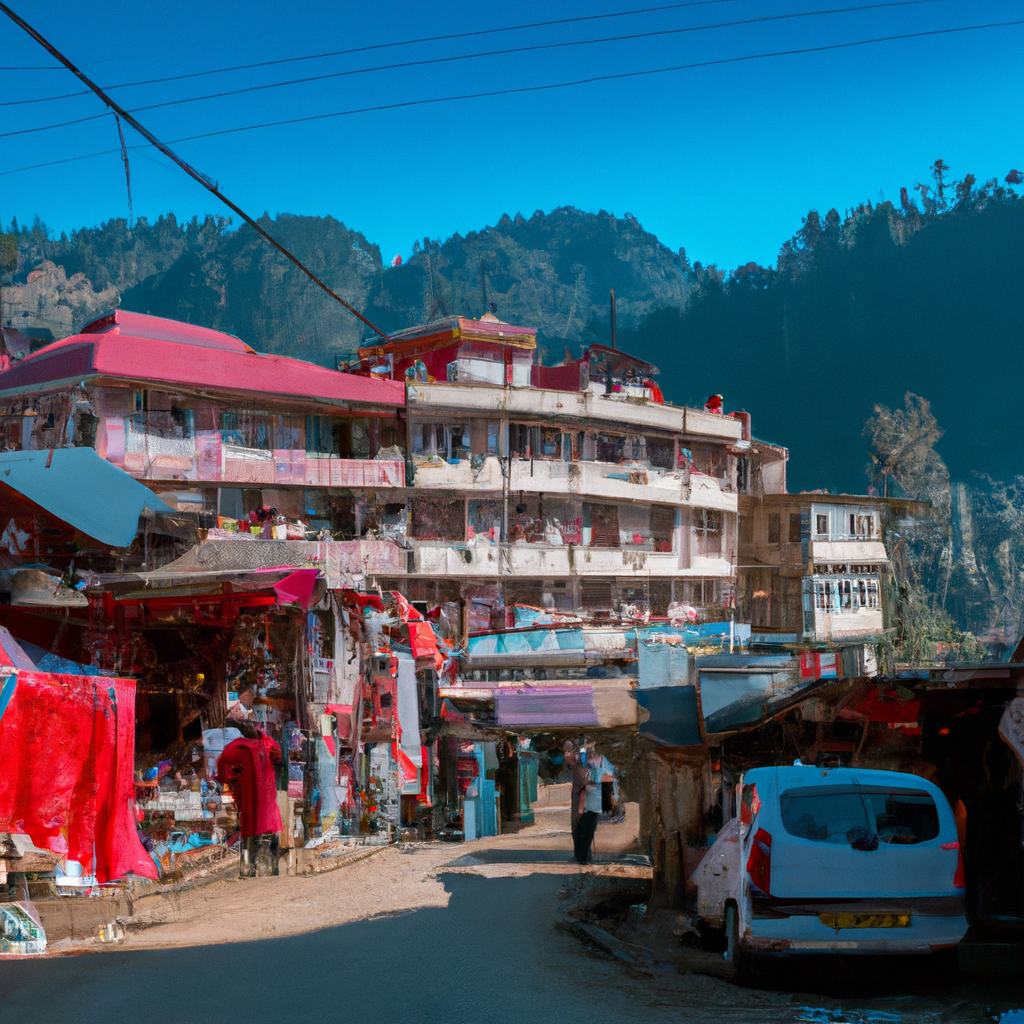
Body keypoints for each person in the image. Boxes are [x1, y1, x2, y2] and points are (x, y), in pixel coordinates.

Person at [574, 746, 602, 865]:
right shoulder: (590, 768)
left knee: (585, 832)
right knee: (583, 832)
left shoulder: (597, 770)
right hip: (590, 806)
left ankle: (583, 857)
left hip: (592, 807)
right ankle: (582, 856)